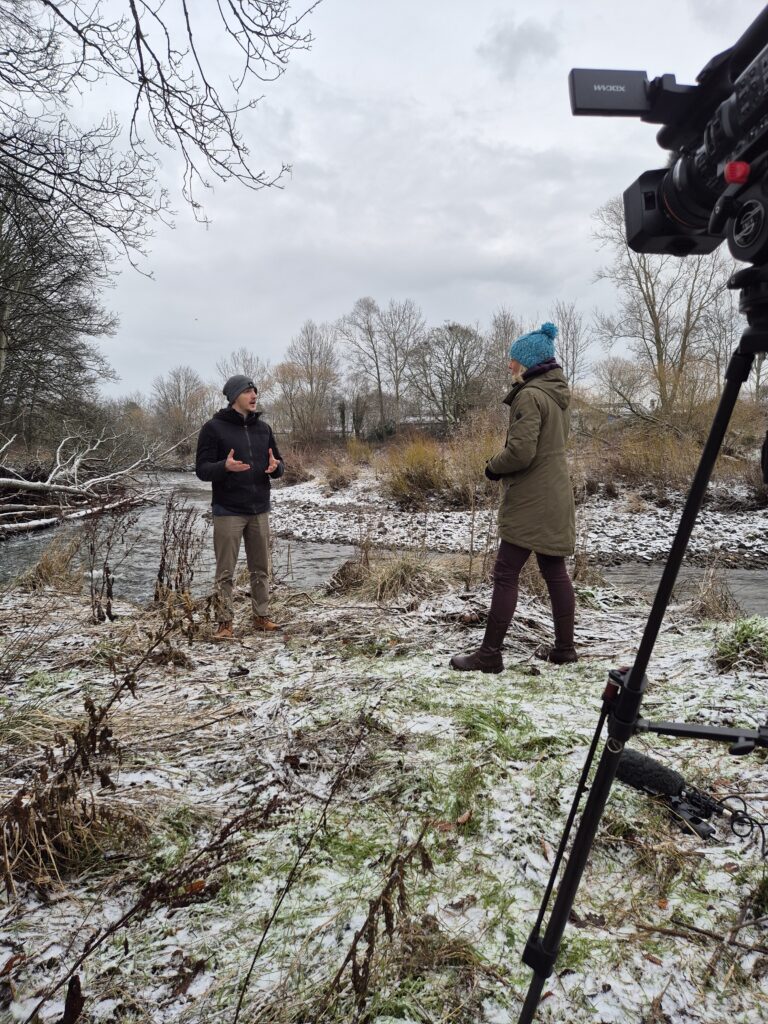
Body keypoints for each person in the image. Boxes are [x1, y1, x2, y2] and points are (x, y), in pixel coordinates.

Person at [450, 322, 576, 673]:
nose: (510, 366)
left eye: (514, 360)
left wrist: (493, 467)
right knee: (555, 571)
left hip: (531, 498)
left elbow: (521, 452)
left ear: (529, 363)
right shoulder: (557, 396)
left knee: (506, 572)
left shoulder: (529, 396)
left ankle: (489, 655)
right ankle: (565, 649)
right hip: (556, 494)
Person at [195, 374, 285, 640]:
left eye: (255, 391)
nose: (254, 395)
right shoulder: (213, 428)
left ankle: (261, 616)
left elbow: (279, 463)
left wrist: (275, 468)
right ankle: (225, 623)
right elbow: (201, 470)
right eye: (248, 392)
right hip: (228, 509)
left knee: (260, 568)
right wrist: (224, 466)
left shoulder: (264, 429)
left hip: (259, 508)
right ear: (235, 397)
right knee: (225, 572)